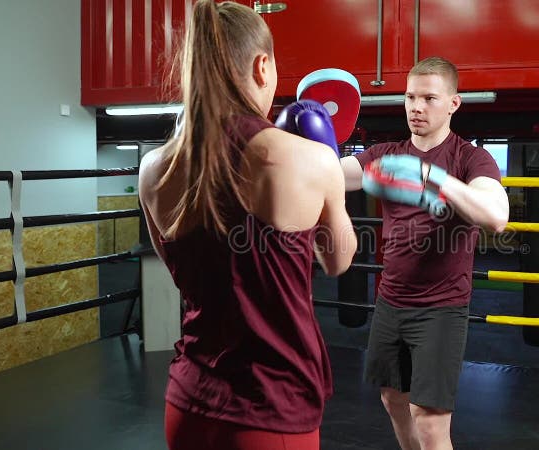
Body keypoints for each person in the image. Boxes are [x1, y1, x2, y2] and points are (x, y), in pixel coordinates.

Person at [137, 2, 357, 449]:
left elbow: (180, 270)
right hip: (269, 409)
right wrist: (328, 165)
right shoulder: (307, 159)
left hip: (186, 404)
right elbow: (337, 260)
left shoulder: (152, 169)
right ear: (262, 66)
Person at [340, 56, 509, 450]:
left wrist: (433, 178)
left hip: (441, 307)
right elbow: (332, 174)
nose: (417, 107)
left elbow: (496, 216)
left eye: (429, 98)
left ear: (454, 103)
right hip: (391, 301)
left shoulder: (470, 159)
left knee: (431, 423)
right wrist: (302, 146)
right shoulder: (386, 155)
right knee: (393, 399)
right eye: (410, 97)